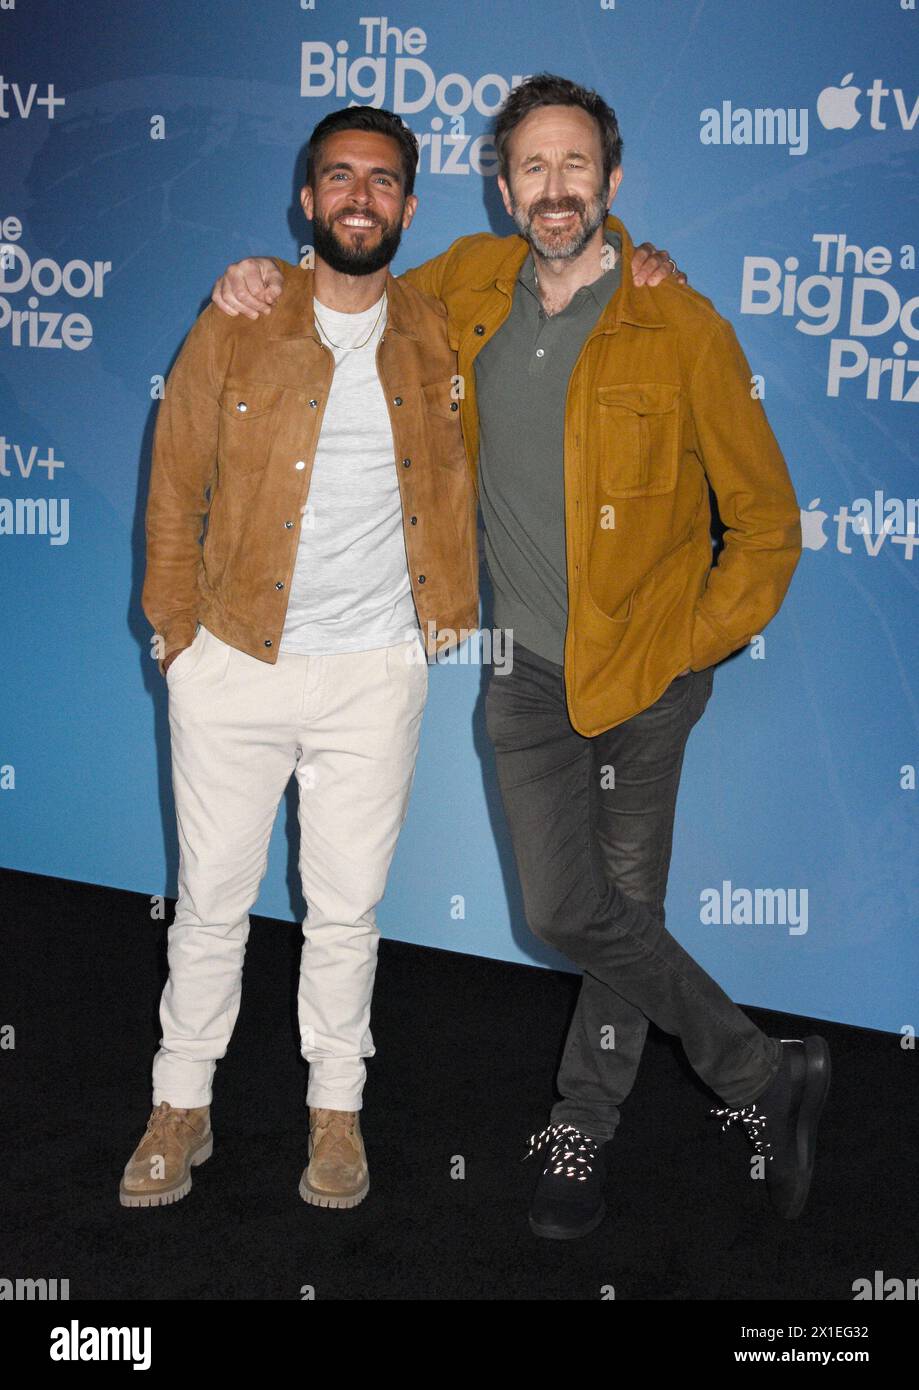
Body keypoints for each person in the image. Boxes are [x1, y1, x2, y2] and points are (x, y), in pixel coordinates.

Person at [212, 74, 829, 1243]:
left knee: (622, 905)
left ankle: (577, 1131)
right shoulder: (469, 292)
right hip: (525, 673)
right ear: (503, 188)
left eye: (576, 165)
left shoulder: (681, 324)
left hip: (645, 682)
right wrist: (263, 278)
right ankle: (758, 1070)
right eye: (532, 169)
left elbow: (766, 529)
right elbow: (356, 283)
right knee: (568, 908)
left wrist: (680, 643)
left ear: (612, 180)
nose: (556, 189)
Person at [125, 106, 484, 1211]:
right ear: (306, 200)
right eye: (339, 178)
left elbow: (558, 244)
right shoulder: (239, 318)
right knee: (211, 903)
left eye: (381, 181)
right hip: (233, 660)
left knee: (345, 912)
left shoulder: (438, 330)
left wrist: (637, 258)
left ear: (409, 208)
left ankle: (336, 1111)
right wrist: (176, 637)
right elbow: (176, 478)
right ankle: (180, 1104)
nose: (360, 197)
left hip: (374, 671)